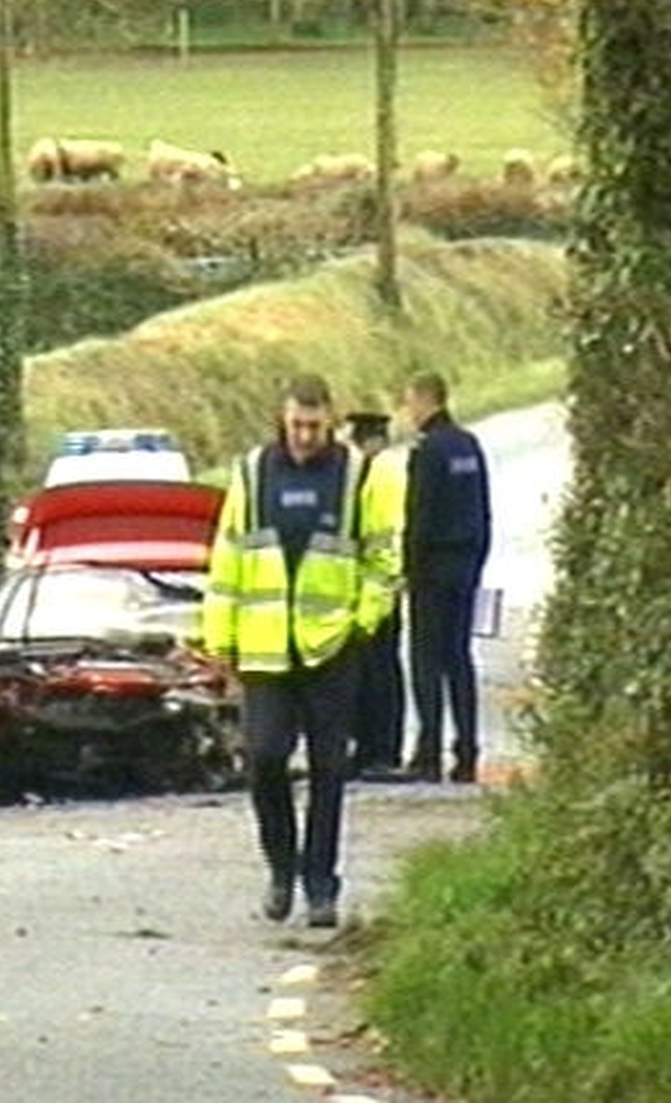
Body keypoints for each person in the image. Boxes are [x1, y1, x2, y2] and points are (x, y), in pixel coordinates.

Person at [202, 375, 398, 928]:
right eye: (296, 425)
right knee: (264, 760)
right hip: (265, 652)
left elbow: (383, 560)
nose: (305, 436)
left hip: (330, 648)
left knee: (329, 769)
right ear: (281, 420)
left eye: (314, 426)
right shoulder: (252, 473)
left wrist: (362, 622)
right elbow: (227, 561)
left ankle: (320, 885)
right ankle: (280, 869)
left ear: (331, 421)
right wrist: (220, 642)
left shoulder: (360, 476)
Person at [400, 371, 491, 784]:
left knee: (425, 661)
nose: (409, 412)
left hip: (433, 568)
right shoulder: (469, 445)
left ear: (425, 400)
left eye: (410, 403)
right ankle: (468, 751)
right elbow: (483, 510)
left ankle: (430, 751)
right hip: (466, 564)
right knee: (459, 658)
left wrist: (409, 570)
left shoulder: (428, 451)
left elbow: (419, 516)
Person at [340, 410, 409, 781]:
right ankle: (375, 749)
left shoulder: (378, 473)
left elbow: (377, 533)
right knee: (377, 672)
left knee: (378, 674)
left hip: (377, 584)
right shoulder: (394, 469)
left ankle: (379, 750)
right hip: (381, 582)